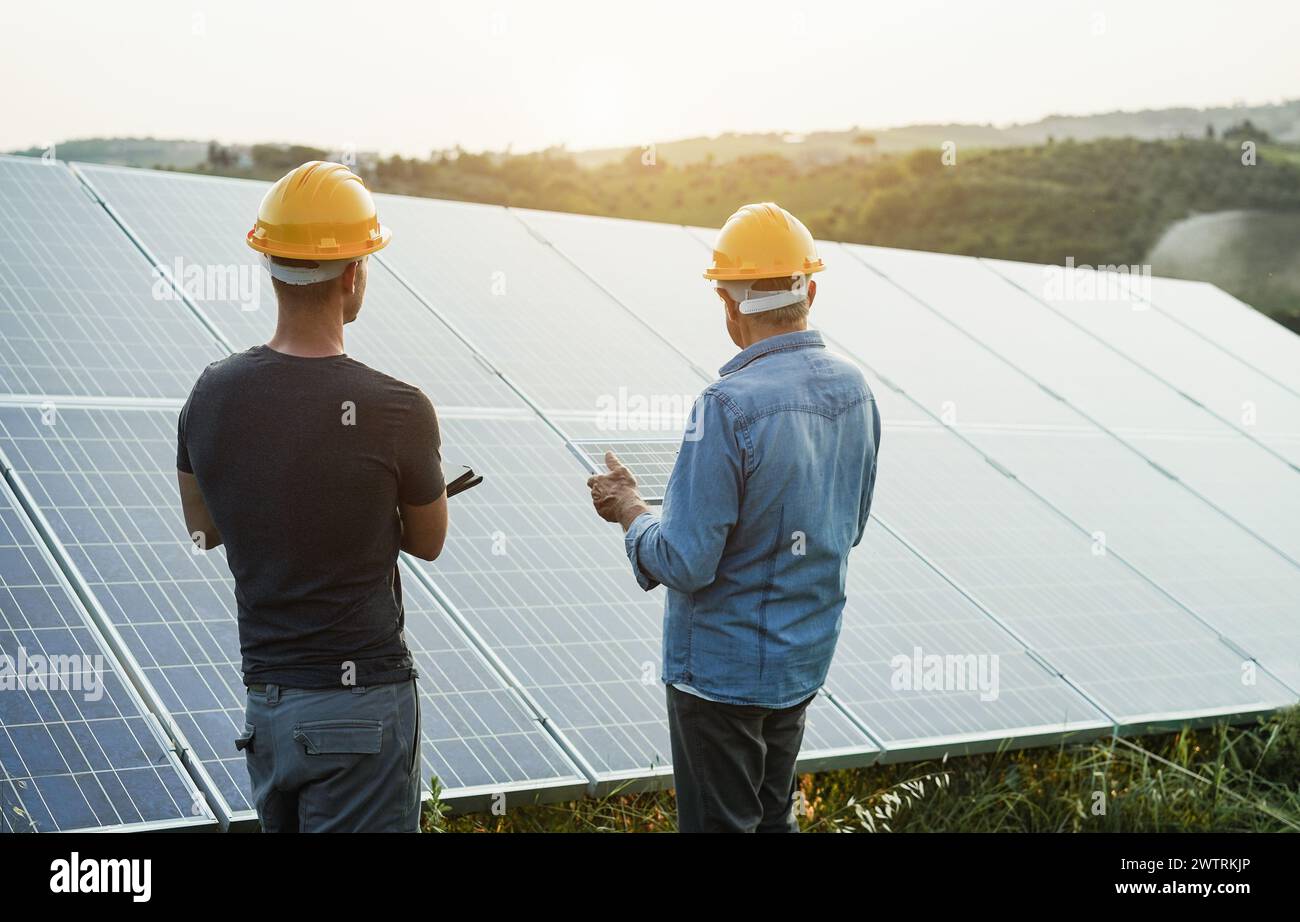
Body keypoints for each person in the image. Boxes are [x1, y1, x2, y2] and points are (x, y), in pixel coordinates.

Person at [588, 203, 880, 833]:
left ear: (727, 303)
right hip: (800, 660)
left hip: (719, 678)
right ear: (812, 289)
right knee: (772, 820)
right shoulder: (856, 392)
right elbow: (848, 526)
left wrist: (630, 511)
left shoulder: (724, 406)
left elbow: (688, 562)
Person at [176, 162, 448, 832]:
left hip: (268, 704)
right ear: (354, 274)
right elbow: (430, 542)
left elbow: (204, 530)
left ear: (268, 265)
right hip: (362, 711)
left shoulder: (210, 394)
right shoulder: (398, 408)